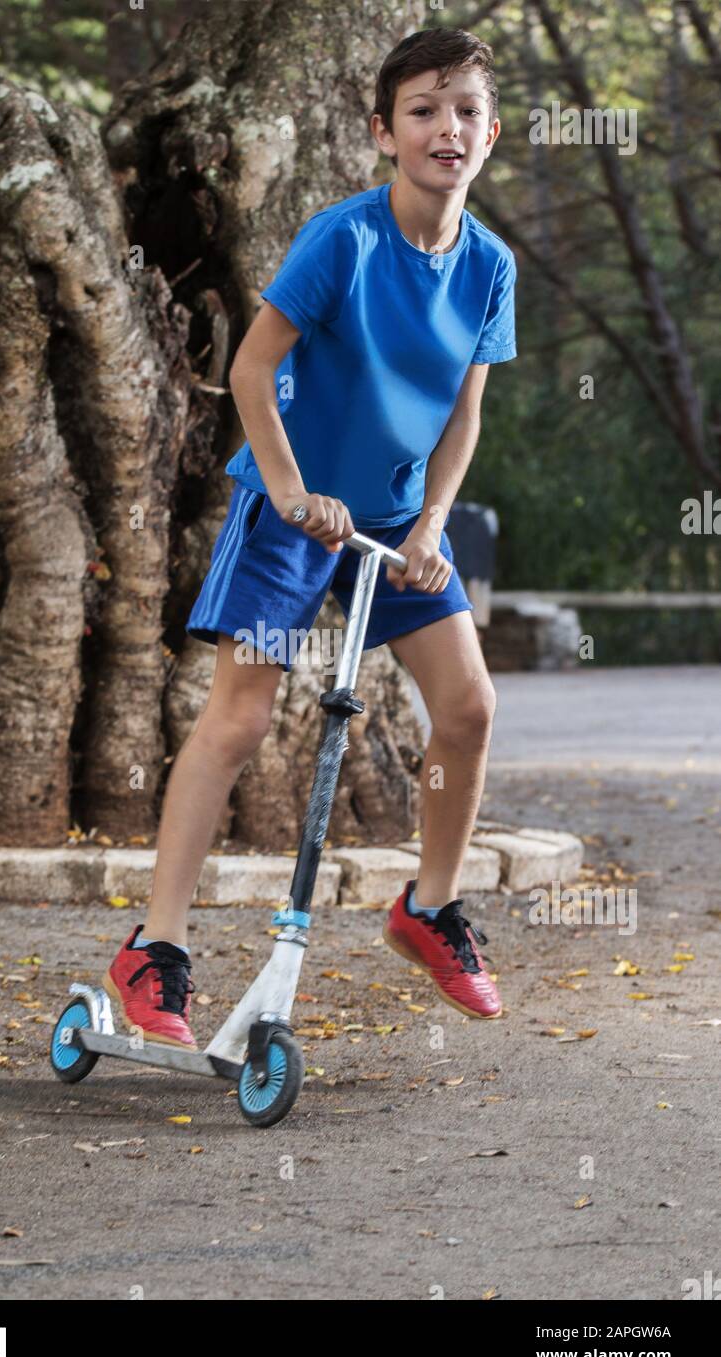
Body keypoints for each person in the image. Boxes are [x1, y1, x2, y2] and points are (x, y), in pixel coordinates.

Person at [104, 25, 517, 1049]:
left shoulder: (490, 266)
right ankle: (152, 949)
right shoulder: (344, 238)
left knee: (467, 706)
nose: (445, 128)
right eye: (421, 110)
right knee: (239, 722)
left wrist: (428, 522)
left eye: (464, 109)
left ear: (491, 131)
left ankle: (427, 908)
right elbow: (251, 371)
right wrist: (291, 493)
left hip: (391, 522)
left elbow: (463, 416)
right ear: (383, 133)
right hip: (291, 510)